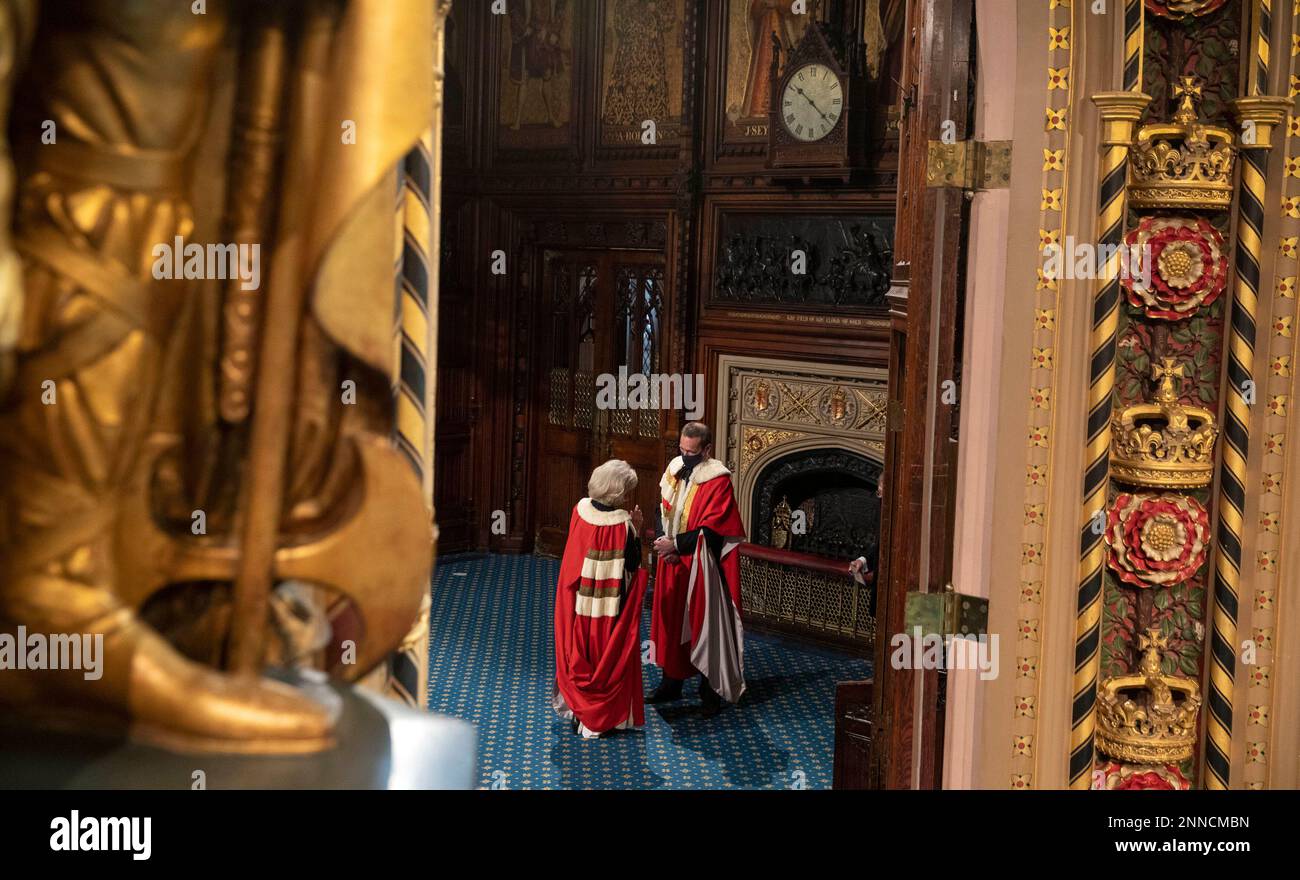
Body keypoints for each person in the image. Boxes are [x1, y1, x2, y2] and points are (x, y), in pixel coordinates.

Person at [648, 422, 747, 718]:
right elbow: (661, 507)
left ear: (706, 450)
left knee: (703, 626)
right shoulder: (675, 467)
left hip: (701, 567)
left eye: (691, 452)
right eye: (682, 449)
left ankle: (710, 691)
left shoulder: (718, 481)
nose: (685, 455)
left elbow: (715, 532)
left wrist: (676, 545)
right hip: (672, 563)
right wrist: (662, 541)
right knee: (670, 623)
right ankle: (671, 682)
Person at [552, 460, 648, 738]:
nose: (628, 497)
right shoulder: (623, 525)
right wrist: (637, 532)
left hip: (574, 599)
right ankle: (598, 718)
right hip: (607, 610)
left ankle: (578, 712)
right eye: (627, 491)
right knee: (605, 656)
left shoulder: (579, 510)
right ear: (618, 493)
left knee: (577, 651)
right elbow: (631, 566)